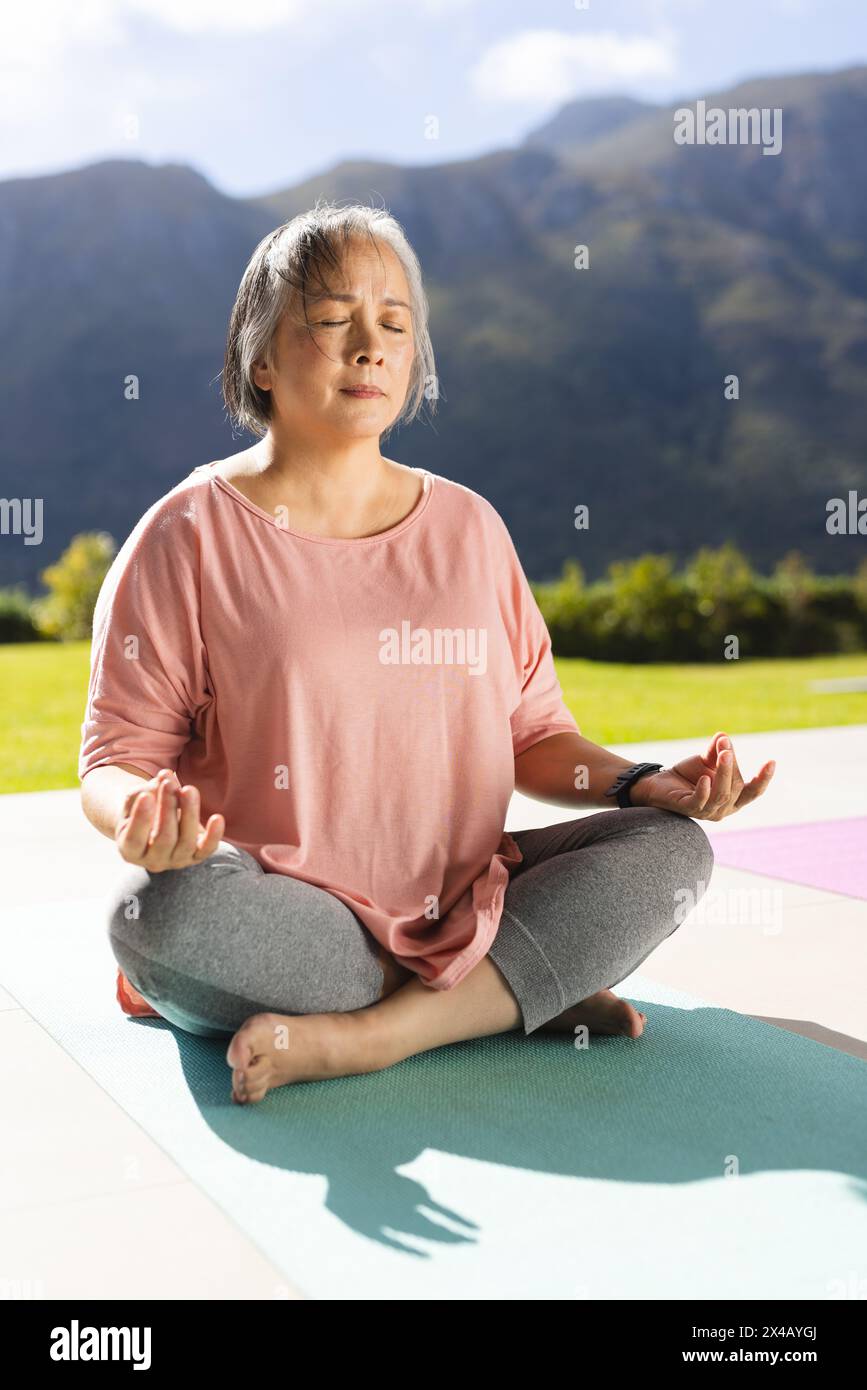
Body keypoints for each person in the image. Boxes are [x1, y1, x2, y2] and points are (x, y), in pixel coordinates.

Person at [79, 201, 774, 1106]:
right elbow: (115, 761)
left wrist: (640, 783)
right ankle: (514, 993)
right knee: (156, 913)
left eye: (394, 324)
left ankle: (379, 1035)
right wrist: (142, 814)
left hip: (462, 903)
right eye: (331, 321)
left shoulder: (469, 528)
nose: (369, 345)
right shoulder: (187, 533)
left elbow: (535, 738)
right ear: (258, 357)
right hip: (287, 914)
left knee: (668, 851)